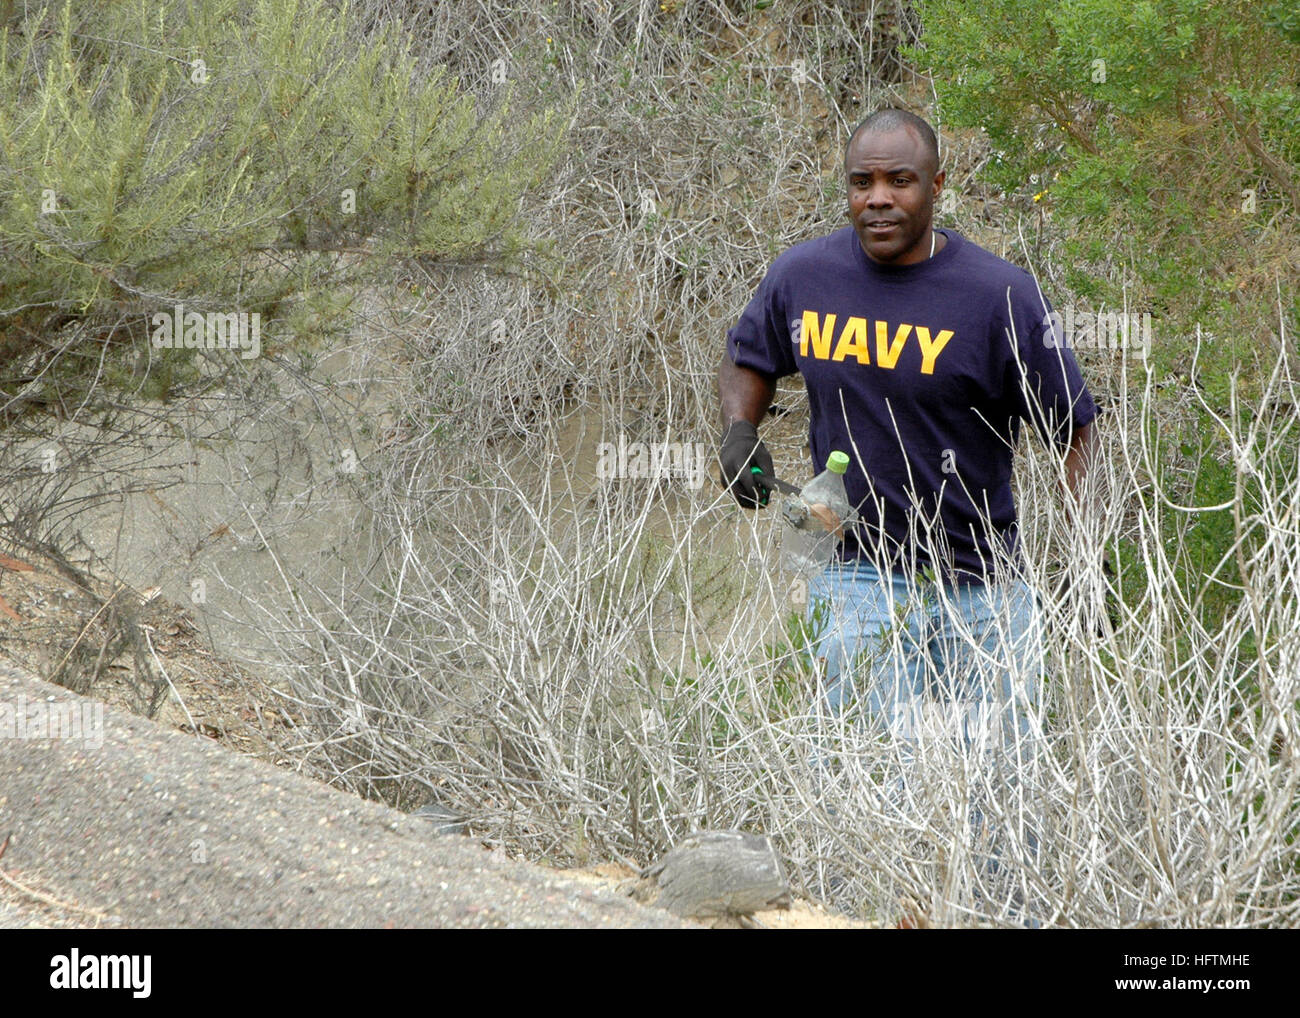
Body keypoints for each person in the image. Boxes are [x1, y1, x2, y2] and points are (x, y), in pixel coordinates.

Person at [715, 108, 1098, 920]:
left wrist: (1082, 553)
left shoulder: (999, 294)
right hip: (855, 581)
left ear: (937, 187)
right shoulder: (803, 276)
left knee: (1001, 799)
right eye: (862, 182)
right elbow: (750, 357)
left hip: (985, 596)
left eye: (900, 180)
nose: (879, 198)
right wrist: (741, 431)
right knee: (856, 784)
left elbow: (1075, 426)